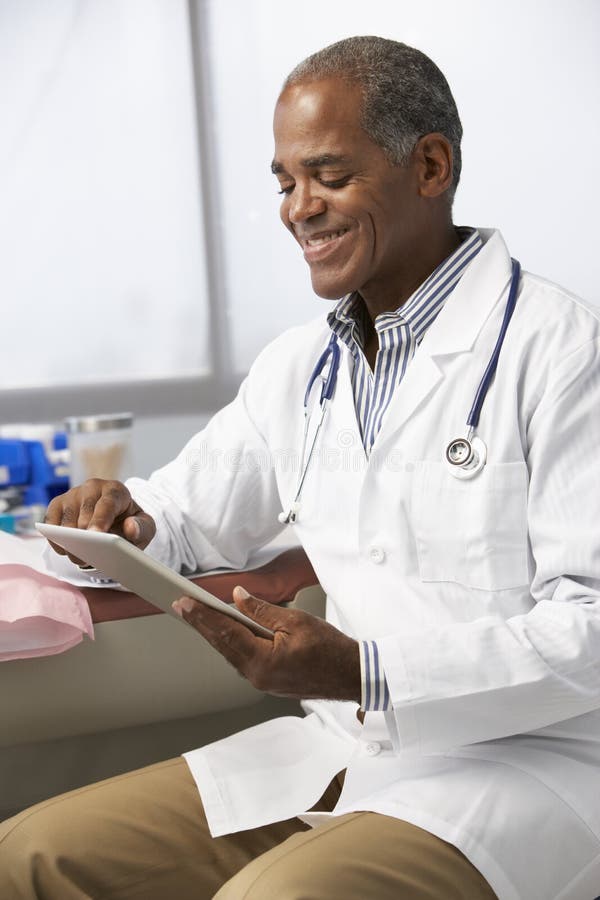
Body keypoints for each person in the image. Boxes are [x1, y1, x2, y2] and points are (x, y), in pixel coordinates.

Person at [2, 35, 600, 900]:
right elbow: (186, 516)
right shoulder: (300, 369)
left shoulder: (563, 351)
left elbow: (591, 631)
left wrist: (366, 673)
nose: (298, 208)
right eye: (285, 183)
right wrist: (123, 515)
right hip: (340, 745)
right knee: (30, 854)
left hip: (527, 767)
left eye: (328, 175)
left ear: (430, 165)